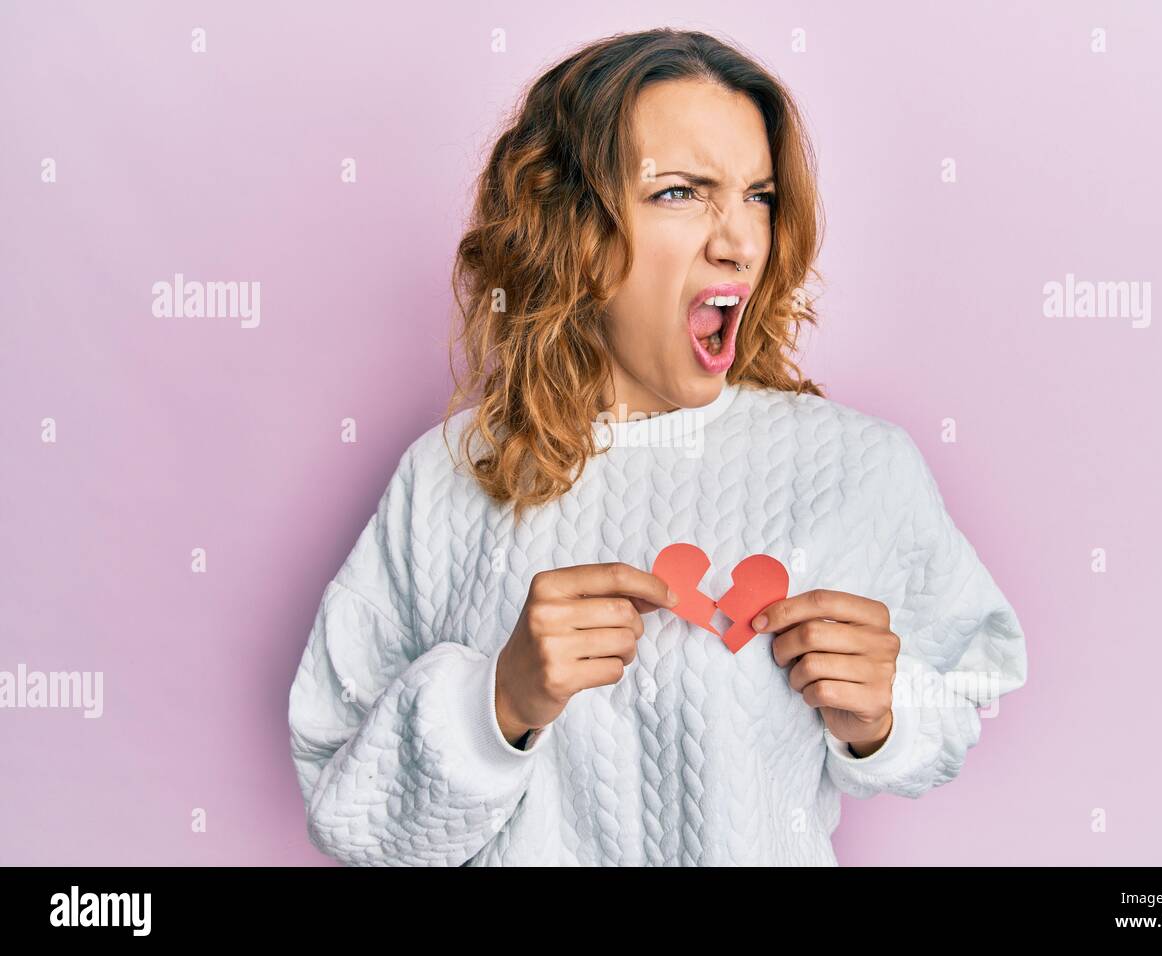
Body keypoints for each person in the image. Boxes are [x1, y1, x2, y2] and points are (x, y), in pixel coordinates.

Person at [287, 27, 1028, 866]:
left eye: (758, 195)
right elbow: (348, 814)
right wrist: (500, 703)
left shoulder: (858, 469)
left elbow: (975, 680)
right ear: (574, 228)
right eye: (681, 192)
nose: (740, 241)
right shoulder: (448, 476)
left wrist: (886, 717)